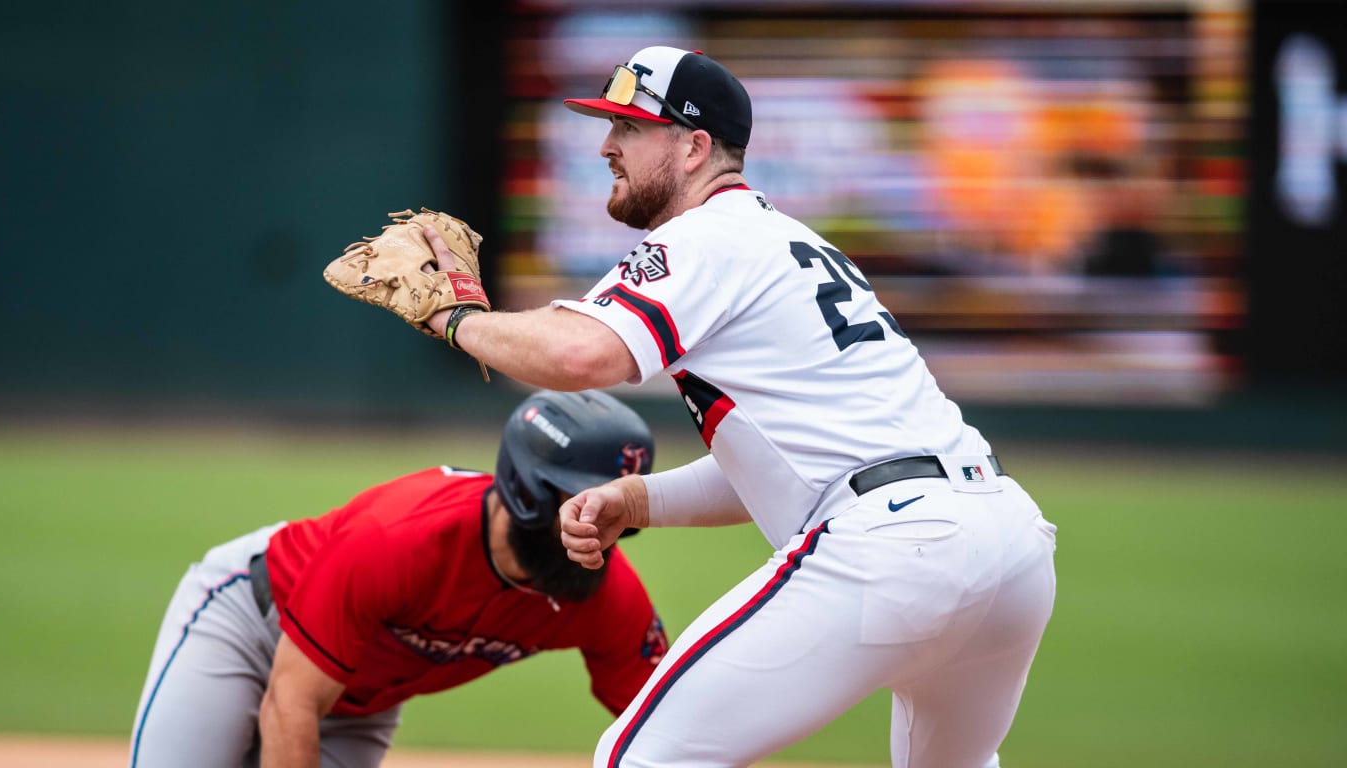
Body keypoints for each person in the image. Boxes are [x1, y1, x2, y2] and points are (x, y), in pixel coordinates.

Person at [419, 46, 1058, 767]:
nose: (606, 146)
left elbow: (581, 356)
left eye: (629, 127)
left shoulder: (705, 236)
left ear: (694, 148)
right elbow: (797, 460)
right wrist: (639, 499)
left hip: (895, 544)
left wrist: (454, 318)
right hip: (1008, 542)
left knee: (643, 758)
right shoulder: (790, 241)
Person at [127, 389, 669, 768]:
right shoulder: (401, 537)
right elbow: (291, 700)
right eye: (582, 498)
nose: (600, 521)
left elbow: (670, 730)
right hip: (251, 627)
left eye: (618, 505)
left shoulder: (608, 597)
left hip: (360, 703)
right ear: (528, 490)